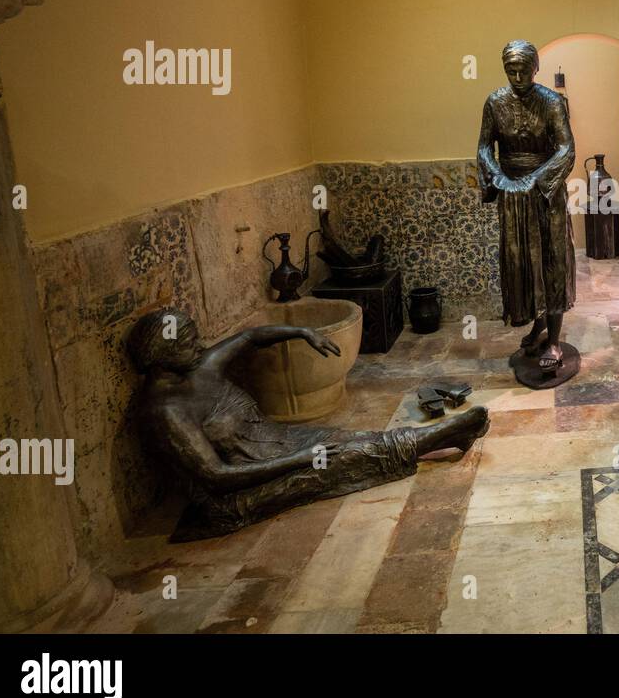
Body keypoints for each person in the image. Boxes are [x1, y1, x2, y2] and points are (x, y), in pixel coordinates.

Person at [127, 308, 488, 540]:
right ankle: (443, 433)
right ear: (162, 354)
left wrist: (301, 332)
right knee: (346, 456)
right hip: (239, 489)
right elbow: (216, 476)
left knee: (352, 439)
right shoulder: (165, 411)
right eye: (190, 343)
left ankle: (445, 437)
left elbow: (250, 337)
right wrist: (302, 459)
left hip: (277, 442)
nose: (201, 346)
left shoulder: (197, 368)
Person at [477, 40, 576, 373]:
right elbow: (483, 149)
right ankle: (538, 325)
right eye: (511, 69)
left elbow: (566, 149)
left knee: (552, 261)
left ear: (536, 68)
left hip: (545, 195)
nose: (517, 76)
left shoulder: (551, 102)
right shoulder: (494, 102)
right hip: (512, 195)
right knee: (523, 264)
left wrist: (534, 180)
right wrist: (498, 178)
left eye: (523, 69)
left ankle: (554, 341)